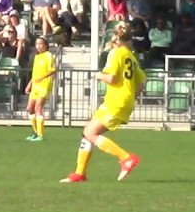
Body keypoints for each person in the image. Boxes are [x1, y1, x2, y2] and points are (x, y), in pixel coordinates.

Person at [61, 22, 144, 183]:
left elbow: (111, 78)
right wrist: (130, 96)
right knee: (87, 132)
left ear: (116, 38)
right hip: (124, 100)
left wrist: (98, 75)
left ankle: (126, 158)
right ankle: (79, 173)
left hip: (115, 100)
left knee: (91, 133)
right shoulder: (132, 58)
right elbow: (141, 83)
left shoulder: (116, 53)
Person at [24, 36, 56, 142]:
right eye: (37, 44)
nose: (38, 46)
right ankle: (36, 132)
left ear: (45, 45)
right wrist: (30, 84)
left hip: (44, 85)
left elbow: (53, 70)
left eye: (40, 44)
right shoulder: (37, 57)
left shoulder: (48, 55)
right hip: (35, 86)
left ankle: (41, 135)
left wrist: (42, 78)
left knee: (38, 108)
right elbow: (35, 74)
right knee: (29, 108)